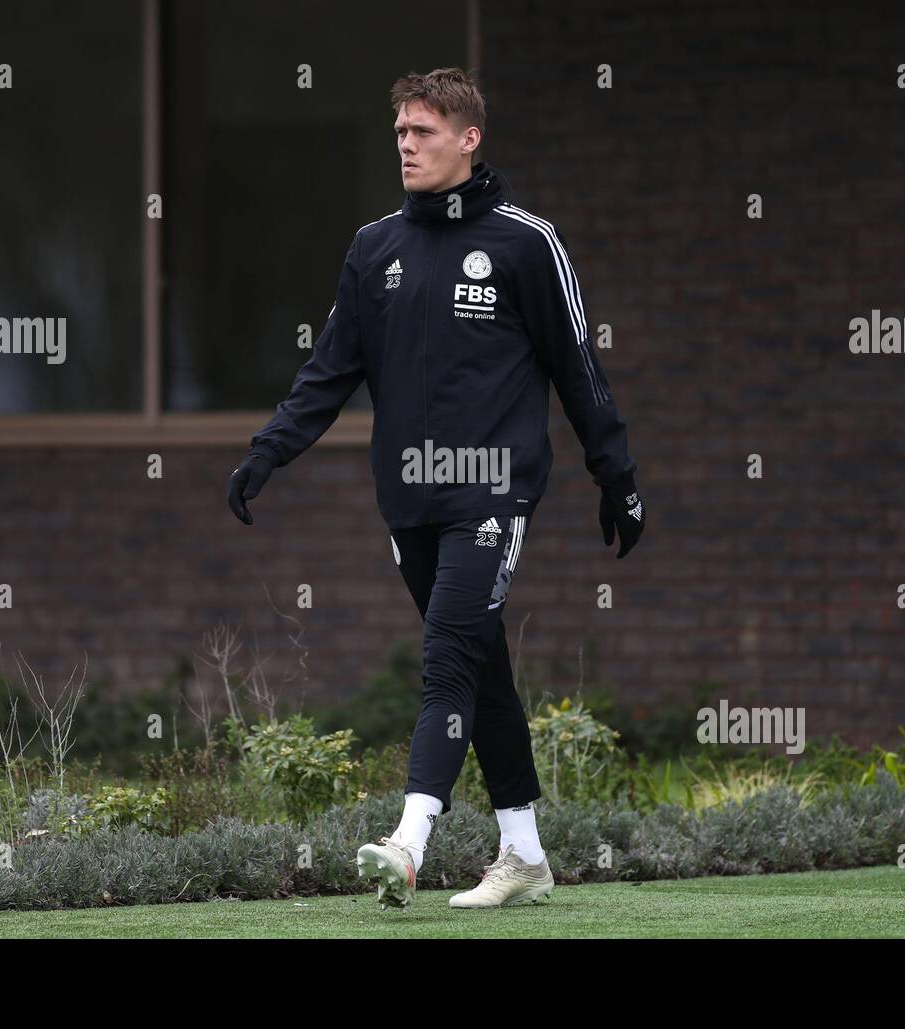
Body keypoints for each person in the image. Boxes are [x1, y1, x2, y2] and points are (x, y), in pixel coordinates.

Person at [227, 67, 645, 910]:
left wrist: (618, 477)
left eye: (423, 132)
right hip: (408, 501)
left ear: (469, 138)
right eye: (400, 134)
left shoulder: (529, 242)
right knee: (481, 668)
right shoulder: (374, 248)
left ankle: (409, 839)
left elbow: (579, 370)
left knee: (446, 659)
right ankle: (524, 853)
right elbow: (330, 370)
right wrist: (269, 449)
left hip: (492, 493)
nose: (407, 146)